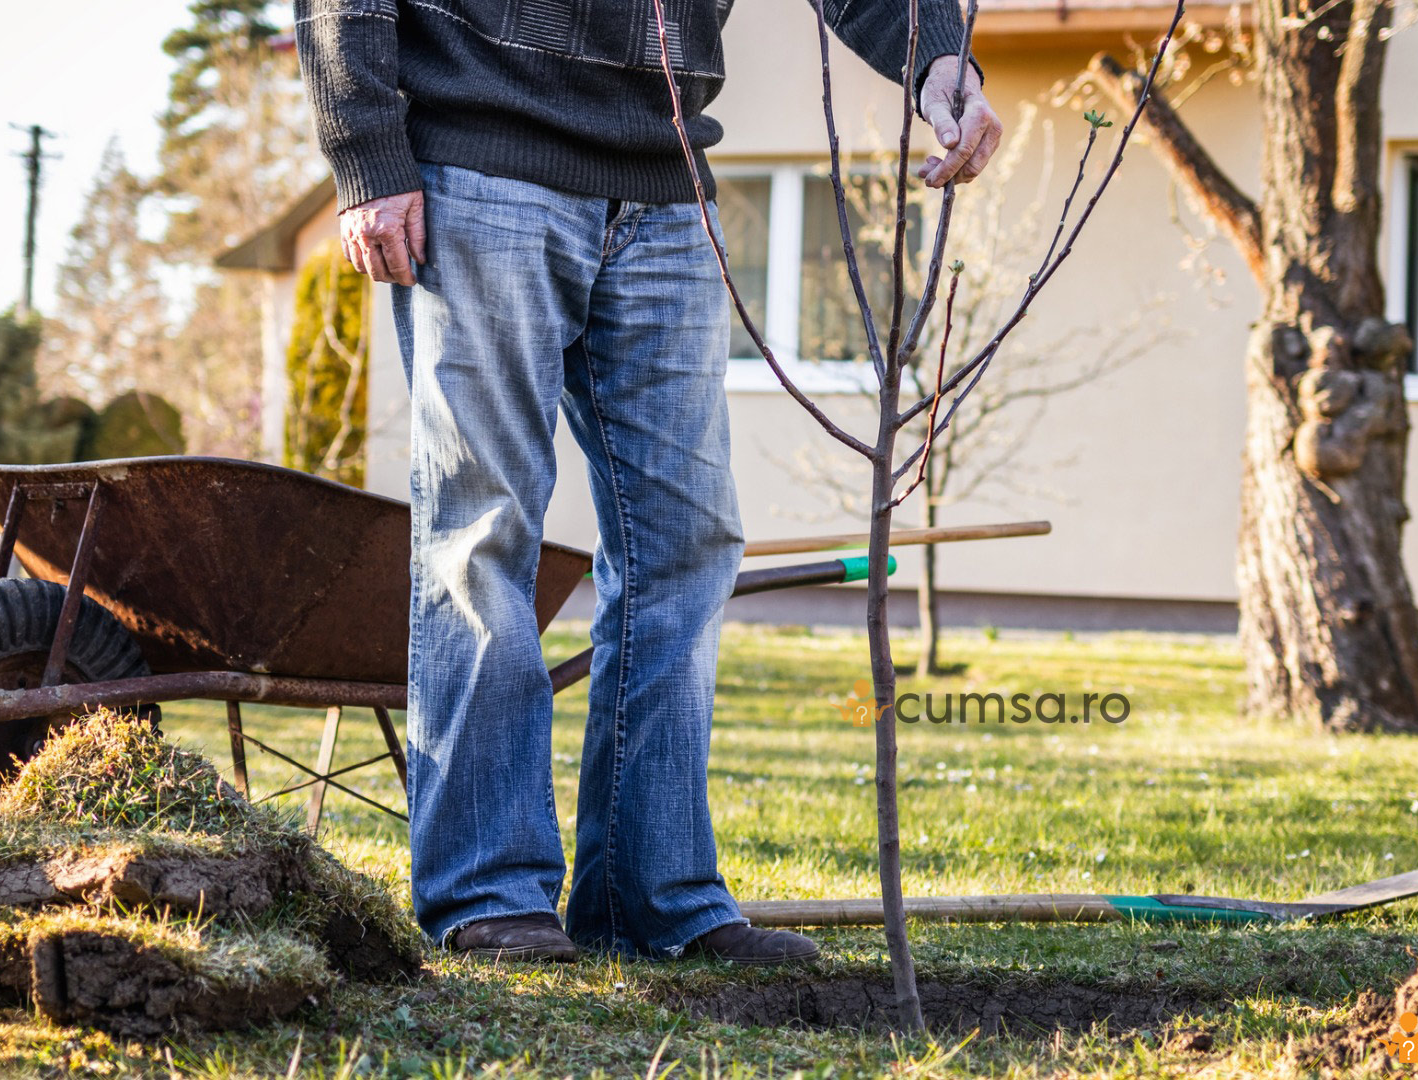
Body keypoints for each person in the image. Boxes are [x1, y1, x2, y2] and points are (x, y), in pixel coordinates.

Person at [297, 0, 1003, 965]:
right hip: (482, 161)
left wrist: (940, 59)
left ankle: (653, 898)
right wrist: (366, 151)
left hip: (668, 185)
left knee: (688, 545)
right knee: (484, 533)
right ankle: (487, 892)